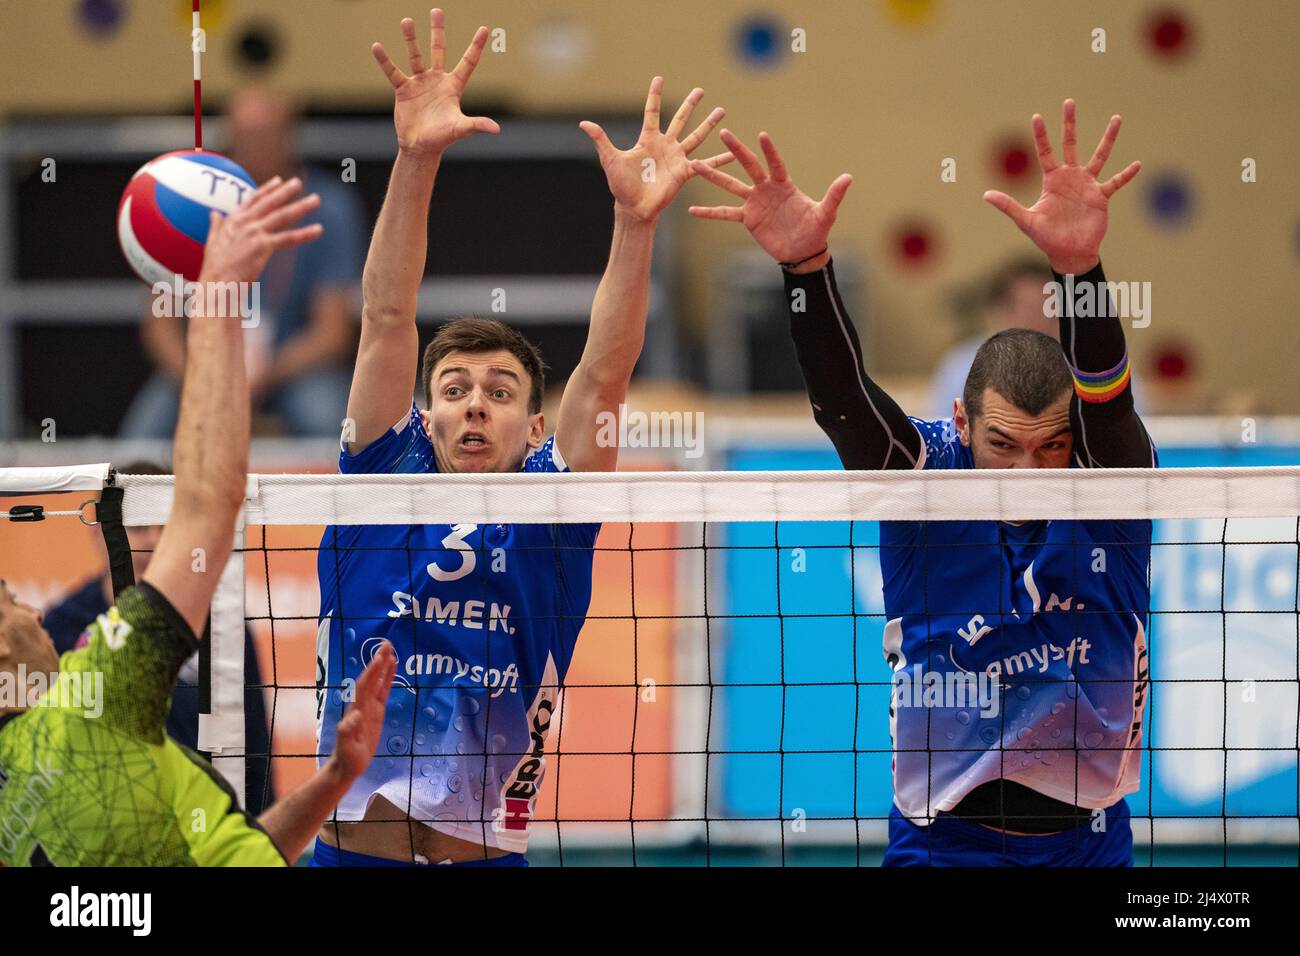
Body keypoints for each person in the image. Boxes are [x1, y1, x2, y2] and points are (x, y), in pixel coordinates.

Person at [312, 8, 730, 866]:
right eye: (454, 390)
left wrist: (636, 224)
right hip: (355, 847)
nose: (473, 406)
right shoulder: (376, 475)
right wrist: (416, 158)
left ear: (533, 425)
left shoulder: (553, 507)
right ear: (424, 414)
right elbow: (387, 315)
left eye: (499, 393)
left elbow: (605, 374)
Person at [690, 101, 1154, 866]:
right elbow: (844, 406)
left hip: (1088, 846)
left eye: (1050, 449)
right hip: (941, 843)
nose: (1025, 472)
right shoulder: (926, 474)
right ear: (960, 424)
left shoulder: (1111, 485)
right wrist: (806, 272)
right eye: (1002, 445)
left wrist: (1080, 272)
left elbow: (1109, 399)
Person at [0, 177, 396, 866]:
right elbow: (209, 503)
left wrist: (334, 778)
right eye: (8, 603)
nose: (31, 612)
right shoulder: (96, 699)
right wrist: (217, 295)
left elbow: (229, 849)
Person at [120, 87, 364, 438]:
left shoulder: (327, 206)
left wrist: (265, 373)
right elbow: (159, 324)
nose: (257, 146)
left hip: (292, 370)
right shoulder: (188, 205)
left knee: (332, 428)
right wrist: (199, 377)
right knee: (139, 442)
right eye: (246, 135)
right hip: (203, 365)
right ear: (228, 138)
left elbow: (331, 332)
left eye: (268, 134)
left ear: (290, 135)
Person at [42, 460, 274, 814]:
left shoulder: (221, 622)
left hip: (203, 821)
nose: (153, 541)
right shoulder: (61, 628)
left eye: (165, 527)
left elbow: (254, 743)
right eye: (138, 528)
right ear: (100, 536)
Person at [928, 258, 1055, 419]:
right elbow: (946, 430)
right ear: (1001, 309)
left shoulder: (1070, 364)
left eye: (1049, 308)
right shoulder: (961, 365)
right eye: (1029, 309)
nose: (1040, 319)